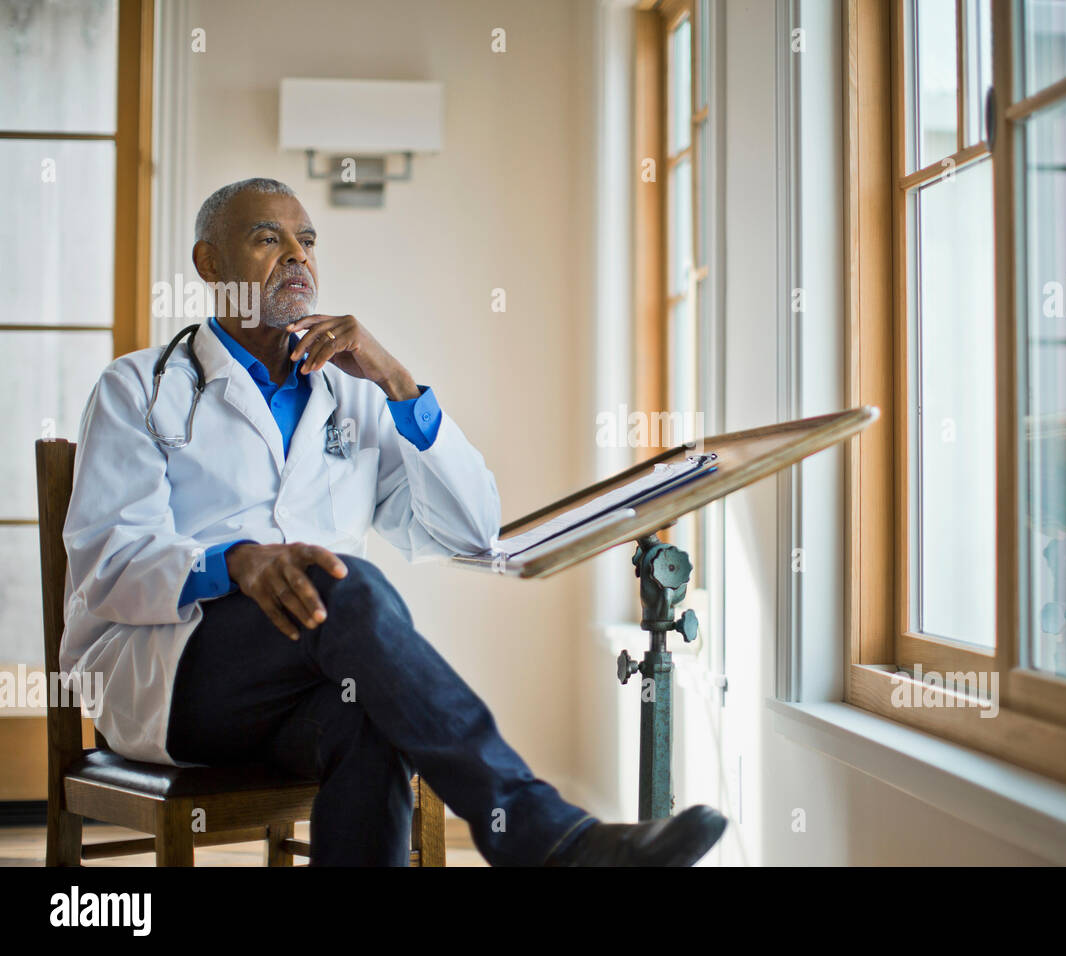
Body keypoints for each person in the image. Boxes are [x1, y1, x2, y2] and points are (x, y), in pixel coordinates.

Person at [59, 176, 727, 866]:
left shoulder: (352, 393)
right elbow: (107, 563)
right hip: (172, 675)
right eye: (268, 239)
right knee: (349, 585)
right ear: (209, 265)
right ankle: (545, 836)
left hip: (302, 686)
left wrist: (398, 384)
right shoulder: (137, 388)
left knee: (370, 714)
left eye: (307, 241)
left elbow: (473, 529)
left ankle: (548, 838)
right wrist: (236, 562)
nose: (297, 257)